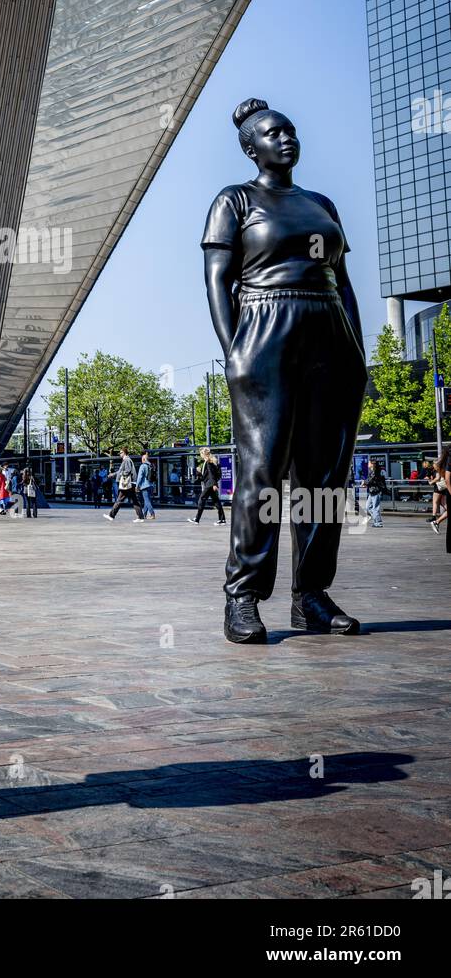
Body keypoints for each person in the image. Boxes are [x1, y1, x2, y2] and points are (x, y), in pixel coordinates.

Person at [202, 99, 367, 643]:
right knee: (262, 471)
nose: (286, 139)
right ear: (252, 147)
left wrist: (358, 354)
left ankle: (312, 597)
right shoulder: (235, 200)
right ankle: (243, 597)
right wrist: (235, 352)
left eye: (290, 131)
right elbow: (218, 280)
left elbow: (342, 282)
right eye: (273, 134)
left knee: (323, 478)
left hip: (329, 334)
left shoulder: (321, 204)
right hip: (266, 330)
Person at [188, 447, 226, 524]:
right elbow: (206, 477)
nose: (200, 455)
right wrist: (199, 472)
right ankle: (222, 519)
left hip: (210, 485)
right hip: (210, 484)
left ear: (203, 454)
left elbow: (212, 475)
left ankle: (197, 519)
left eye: (201, 454)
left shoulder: (209, 462)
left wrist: (214, 484)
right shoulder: (211, 462)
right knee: (216, 501)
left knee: (201, 499)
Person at [103, 449, 144, 522]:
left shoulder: (127, 460)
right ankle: (140, 517)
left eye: (121, 452)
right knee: (135, 500)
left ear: (124, 453)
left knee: (119, 500)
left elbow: (127, 471)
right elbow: (120, 471)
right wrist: (113, 475)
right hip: (131, 484)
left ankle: (111, 515)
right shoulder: (127, 460)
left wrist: (119, 474)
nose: (119, 454)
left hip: (127, 484)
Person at [365, 459, 386, 529]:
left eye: (369, 463)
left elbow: (371, 480)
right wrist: (366, 483)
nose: (368, 464)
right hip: (372, 492)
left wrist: (365, 483)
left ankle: (378, 523)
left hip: (376, 491)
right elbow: (369, 480)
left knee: (375, 508)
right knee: (368, 507)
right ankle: (376, 520)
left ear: (372, 464)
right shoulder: (372, 471)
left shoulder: (376, 472)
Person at [136, 452, 156, 521]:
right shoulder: (151, 465)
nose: (141, 460)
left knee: (147, 501)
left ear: (144, 459)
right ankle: (144, 514)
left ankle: (152, 514)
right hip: (151, 485)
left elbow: (140, 477)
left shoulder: (143, 466)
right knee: (147, 500)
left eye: (142, 458)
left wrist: (137, 486)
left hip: (144, 486)